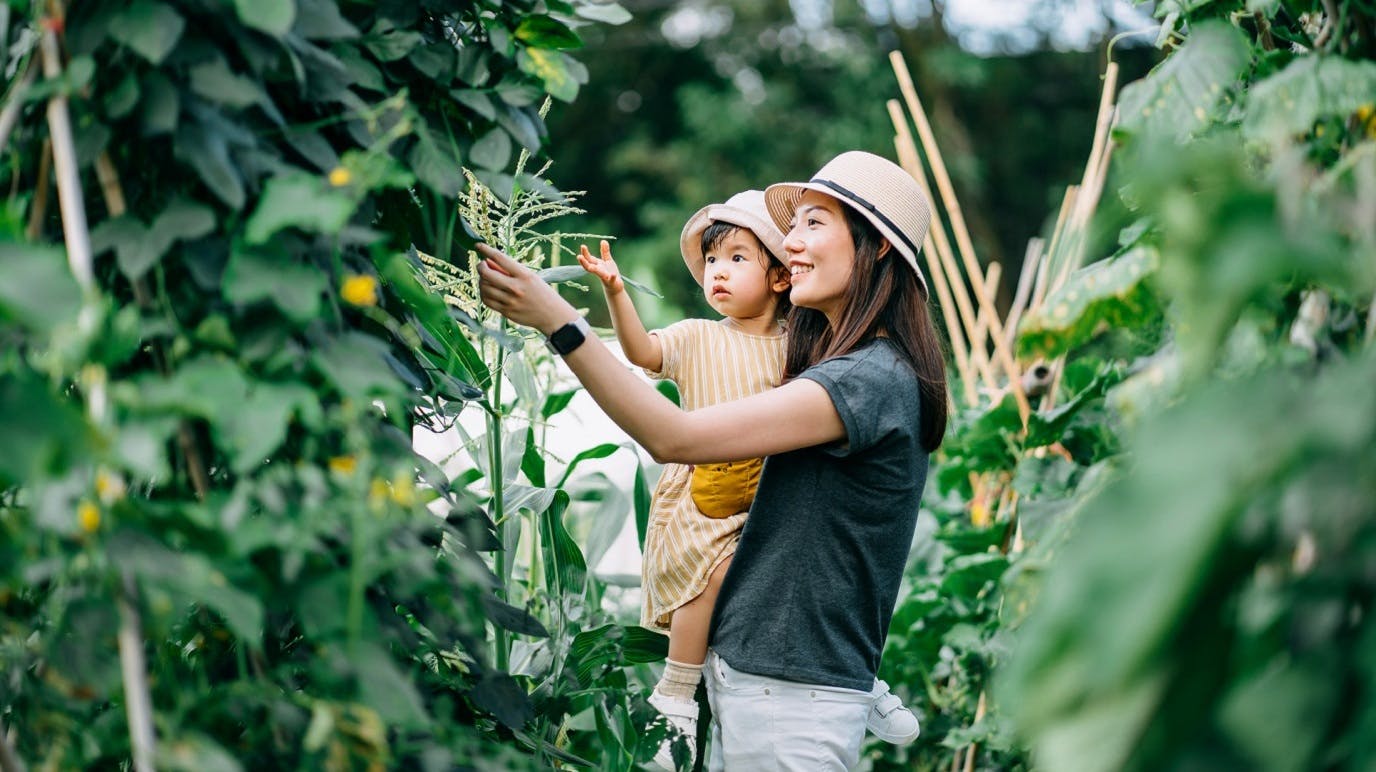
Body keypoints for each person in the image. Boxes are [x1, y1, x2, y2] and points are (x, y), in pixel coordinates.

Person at [477, 150, 948, 770]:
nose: (791, 243)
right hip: (769, 686)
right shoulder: (844, 367)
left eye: (813, 224)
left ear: (878, 246)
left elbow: (673, 436)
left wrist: (562, 323)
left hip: (791, 703)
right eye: (792, 226)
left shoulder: (865, 379)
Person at [576, 191, 792, 769]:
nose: (718, 271)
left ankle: (859, 677)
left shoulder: (800, 346)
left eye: (738, 259)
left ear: (779, 278)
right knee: (710, 573)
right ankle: (675, 692)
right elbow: (642, 352)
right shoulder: (698, 336)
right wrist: (616, 292)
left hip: (772, 494)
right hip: (704, 496)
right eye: (712, 260)